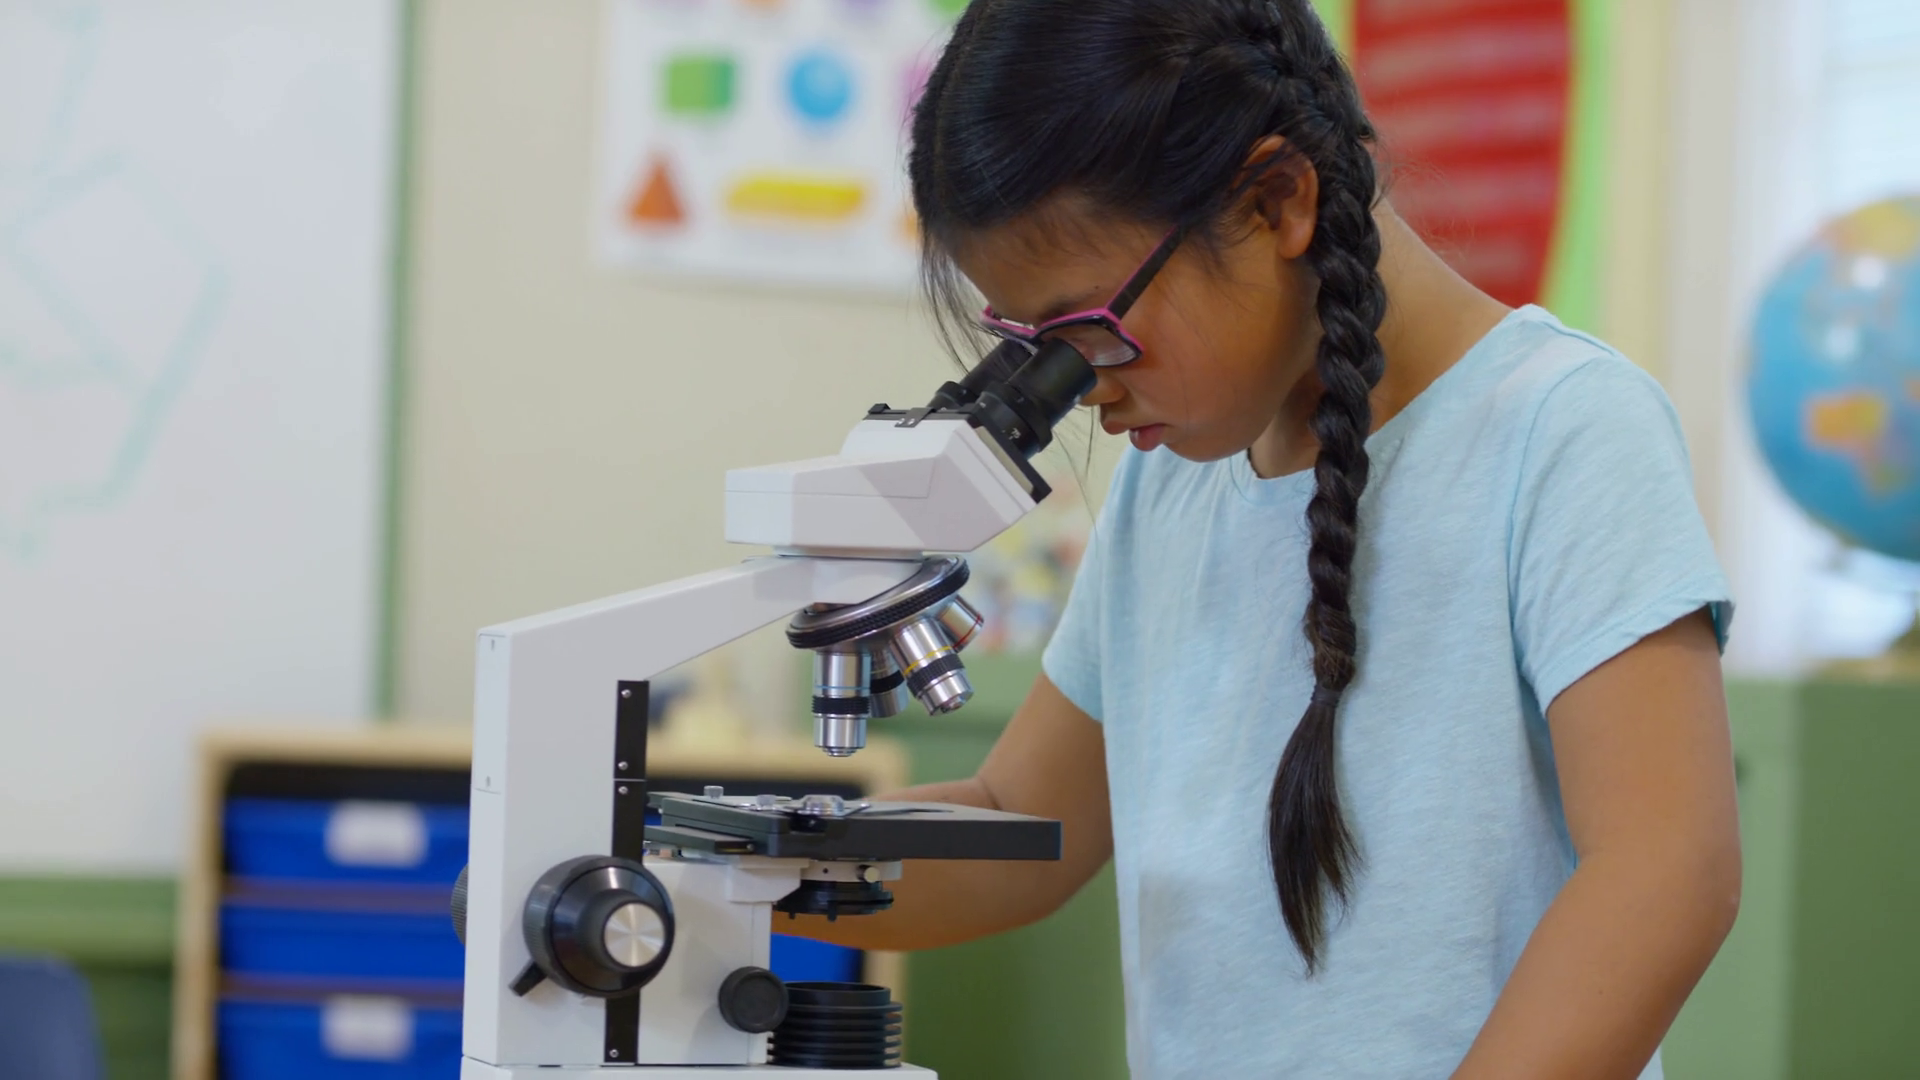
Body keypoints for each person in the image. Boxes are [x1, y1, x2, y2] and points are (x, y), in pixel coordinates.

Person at [792, 1, 1741, 1076]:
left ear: (1276, 199)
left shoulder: (1563, 430)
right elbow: (1019, 823)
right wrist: (732, 868)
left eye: (1090, 330)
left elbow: (1666, 872)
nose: (1081, 390)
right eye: (1032, 344)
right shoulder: (1170, 483)